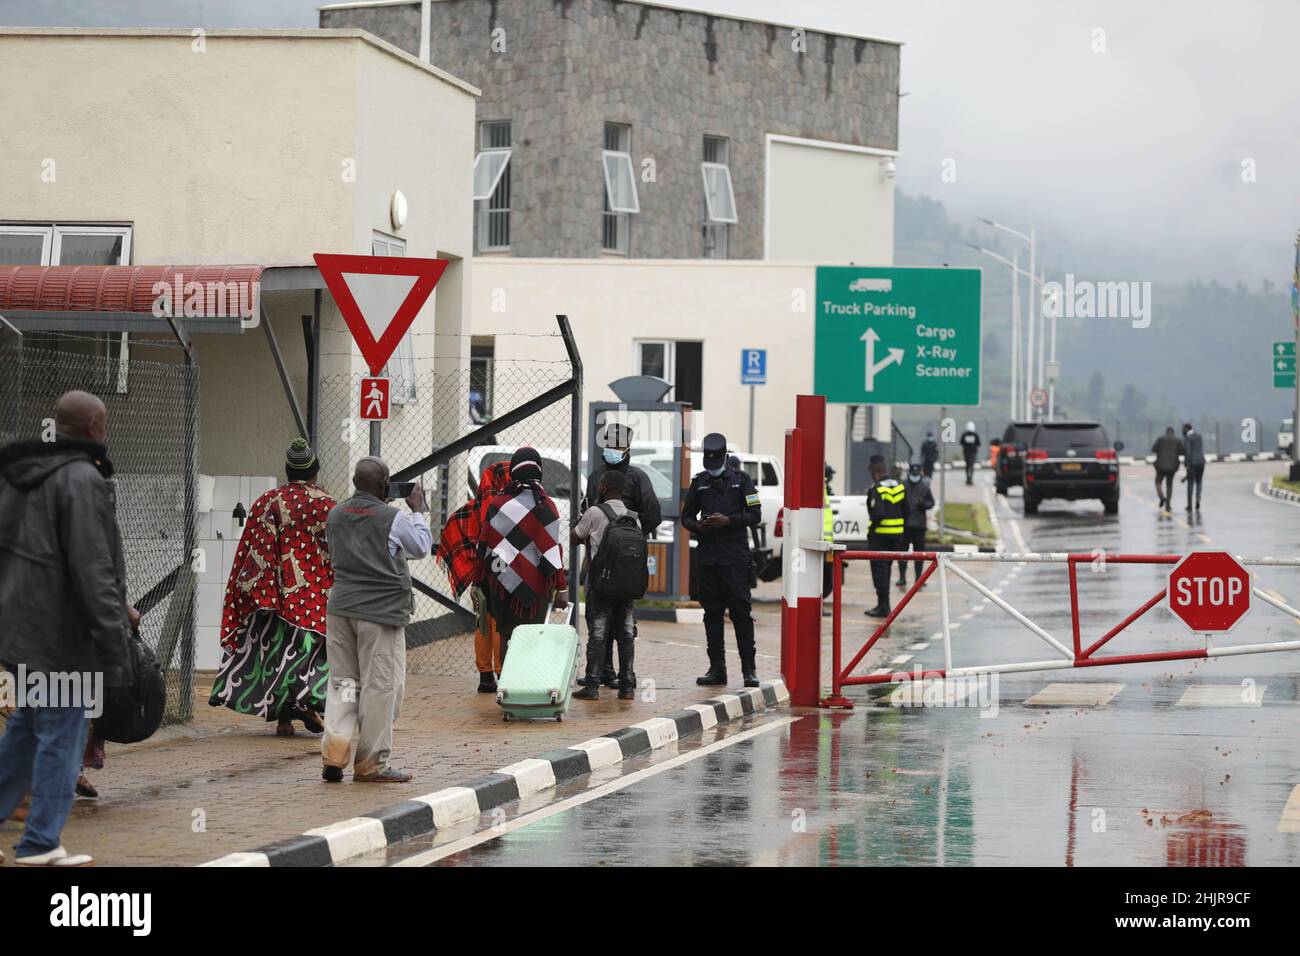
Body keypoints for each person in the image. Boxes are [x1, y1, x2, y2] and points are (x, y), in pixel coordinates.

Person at [0, 390, 131, 866]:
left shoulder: (19, 475)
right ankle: (40, 842)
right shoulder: (81, 479)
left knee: (27, 729)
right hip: (61, 637)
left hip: (20, 630)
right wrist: (113, 642)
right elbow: (92, 569)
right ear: (96, 427)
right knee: (63, 734)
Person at [209, 438, 336, 734]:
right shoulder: (326, 504)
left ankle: (283, 721)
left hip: (275, 596)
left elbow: (250, 551)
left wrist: (256, 593)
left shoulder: (267, 502)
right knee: (311, 653)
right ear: (315, 472)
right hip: (315, 594)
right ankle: (306, 703)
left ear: (288, 471)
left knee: (278, 653)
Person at [321, 456, 431, 784]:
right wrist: (419, 510)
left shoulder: (335, 514)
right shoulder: (393, 518)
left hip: (340, 609)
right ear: (383, 486)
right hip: (380, 615)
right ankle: (371, 764)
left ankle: (335, 756)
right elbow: (421, 546)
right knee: (380, 687)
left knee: (343, 684)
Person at [582, 424, 661, 689]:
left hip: (625, 563)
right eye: (608, 446)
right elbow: (586, 514)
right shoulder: (596, 478)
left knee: (618, 622)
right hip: (601, 561)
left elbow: (653, 514)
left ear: (627, 449)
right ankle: (606, 672)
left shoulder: (637, 478)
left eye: (616, 447)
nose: (611, 451)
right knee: (599, 618)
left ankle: (616, 675)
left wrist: (629, 538)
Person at [681, 433, 763, 688]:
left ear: (725, 458)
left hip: (735, 559)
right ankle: (717, 669)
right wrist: (699, 526)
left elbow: (755, 514)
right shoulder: (700, 482)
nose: (712, 469)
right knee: (712, 614)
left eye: (716, 464)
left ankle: (749, 670)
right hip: (708, 559)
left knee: (741, 613)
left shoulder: (742, 481)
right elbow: (686, 517)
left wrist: (729, 521)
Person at [478, 447, 569, 656]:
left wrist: (478, 582)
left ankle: (505, 682)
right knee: (532, 635)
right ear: (539, 471)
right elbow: (552, 552)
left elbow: (484, 548)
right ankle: (527, 681)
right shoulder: (546, 506)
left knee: (506, 634)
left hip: (501, 584)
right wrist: (561, 588)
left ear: (514, 471)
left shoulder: (498, 504)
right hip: (537, 588)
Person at [436, 459, 512, 693]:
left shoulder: (472, 509)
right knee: (501, 624)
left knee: (482, 624)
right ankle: (503, 672)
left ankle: (485, 676)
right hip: (504, 576)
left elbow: (453, 528)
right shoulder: (509, 508)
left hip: (479, 577)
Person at [572, 470, 638, 701]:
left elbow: (574, 537)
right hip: (627, 585)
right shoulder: (633, 516)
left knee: (598, 635)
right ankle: (627, 686)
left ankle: (592, 686)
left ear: (603, 488)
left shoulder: (594, 512)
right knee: (626, 634)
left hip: (601, 584)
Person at [864, 455, 907, 618]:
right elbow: (907, 510)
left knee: (879, 571)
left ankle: (883, 606)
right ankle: (885, 605)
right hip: (896, 537)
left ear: (875, 472)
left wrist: (872, 530)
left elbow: (878, 514)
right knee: (887, 569)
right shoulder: (898, 486)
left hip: (880, 538)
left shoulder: (877, 488)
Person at [897, 463, 935, 588]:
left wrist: (923, 504)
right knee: (902, 553)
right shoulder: (903, 485)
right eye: (913, 474)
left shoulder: (924, 486)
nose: (914, 476)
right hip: (905, 525)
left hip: (919, 525)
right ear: (909, 474)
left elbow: (931, 502)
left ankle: (919, 578)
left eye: (916, 474)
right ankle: (902, 577)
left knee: (919, 554)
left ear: (920, 473)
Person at [1151, 426, 1183, 511]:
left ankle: (1161, 497)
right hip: (1172, 466)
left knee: (1158, 482)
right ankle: (1168, 504)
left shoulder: (1160, 439)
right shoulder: (1177, 440)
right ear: (1173, 432)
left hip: (1160, 466)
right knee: (1169, 485)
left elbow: (1153, 449)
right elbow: (1182, 451)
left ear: (1166, 432)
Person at [1182, 423, 1206, 512]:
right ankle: (1198, 498)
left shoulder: (1187, 439)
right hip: (1201, 462)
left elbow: (1188, 452)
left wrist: (1187, 464)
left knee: (1190, 484)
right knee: (1199, 482)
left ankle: (1189, 505)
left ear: (1187, 429)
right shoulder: (1199, 436)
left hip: (1192, 464)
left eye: (1183, 429)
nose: (1182, 431)